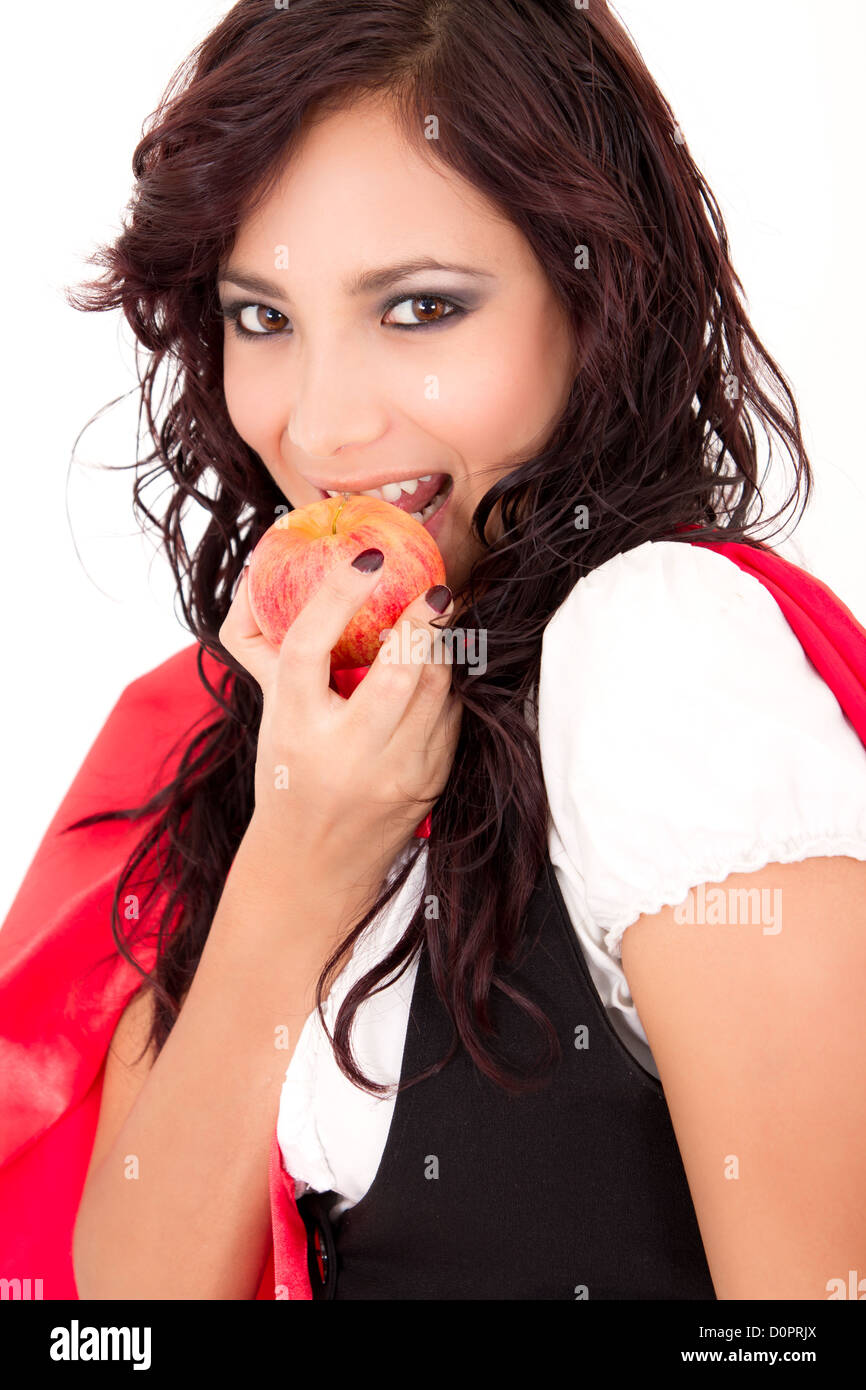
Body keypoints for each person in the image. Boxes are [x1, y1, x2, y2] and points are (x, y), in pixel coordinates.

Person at [2, 0, 865, 1301]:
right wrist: (297, 859)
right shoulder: (278, 710)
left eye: (418, 308)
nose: (324, 423)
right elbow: (133, 1305)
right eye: (262, 318)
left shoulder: (664, 660)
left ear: (596, 299)